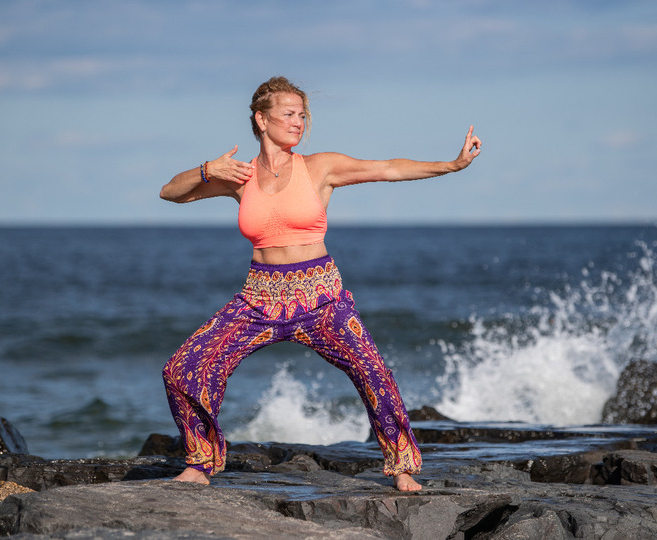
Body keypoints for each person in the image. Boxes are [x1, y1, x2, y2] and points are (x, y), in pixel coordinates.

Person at [160, 76, 481, 492]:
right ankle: (200, 462)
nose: (298, 122)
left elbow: (386, 169)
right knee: (184, 367)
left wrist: (452, 165)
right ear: (261, 119)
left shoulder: (319, 167)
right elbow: (172, 193)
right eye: (288, 114)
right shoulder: (238, 177)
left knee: (373, 371)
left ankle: (402, 466)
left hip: (320, 295)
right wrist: (208, 170)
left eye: (302, 115)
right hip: (259, 297)